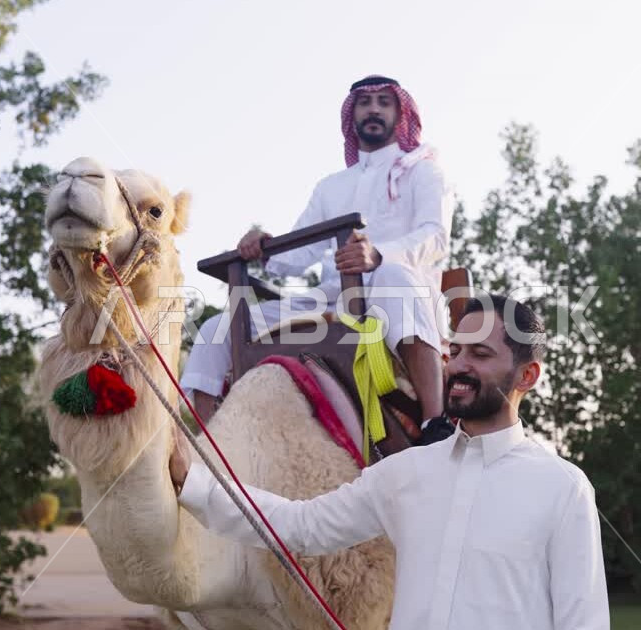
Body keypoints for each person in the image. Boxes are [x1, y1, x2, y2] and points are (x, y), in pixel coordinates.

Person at [170, 294, 611, 630]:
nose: (458, 366)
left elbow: (583, 620)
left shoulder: (563, 488)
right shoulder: (406, 472)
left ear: (527, 376)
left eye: (479, 355)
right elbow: (300, 526)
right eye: (456, 351)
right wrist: (193, 482)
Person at [180, 75, 451, 427]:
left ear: (401, 114)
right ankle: (210, 441)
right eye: (365, 103)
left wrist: (377, 256)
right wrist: (262, 247)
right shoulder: (331, 187)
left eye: (384, 102)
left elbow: (435, 237)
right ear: (351, 115)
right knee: (218, 328)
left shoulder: (423, 171)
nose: (374, 109)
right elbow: (297, 256)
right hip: (333, 300)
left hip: (399, 292)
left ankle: (435, 423)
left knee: (392, 275)